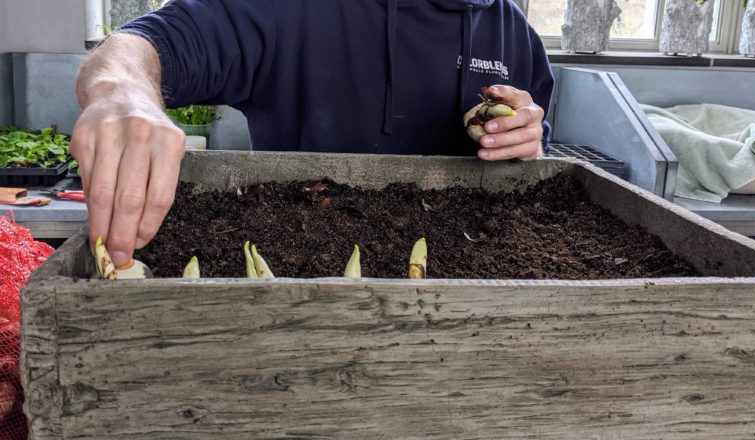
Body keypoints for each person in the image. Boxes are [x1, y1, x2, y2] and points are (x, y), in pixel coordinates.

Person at [72, 0, 554, 268]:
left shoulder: (514, 31)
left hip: (462, 295)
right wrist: (122, 91)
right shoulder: (288, 9)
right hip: (294, 285)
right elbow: (147, 42)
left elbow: (534, 164)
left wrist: (525, 142)